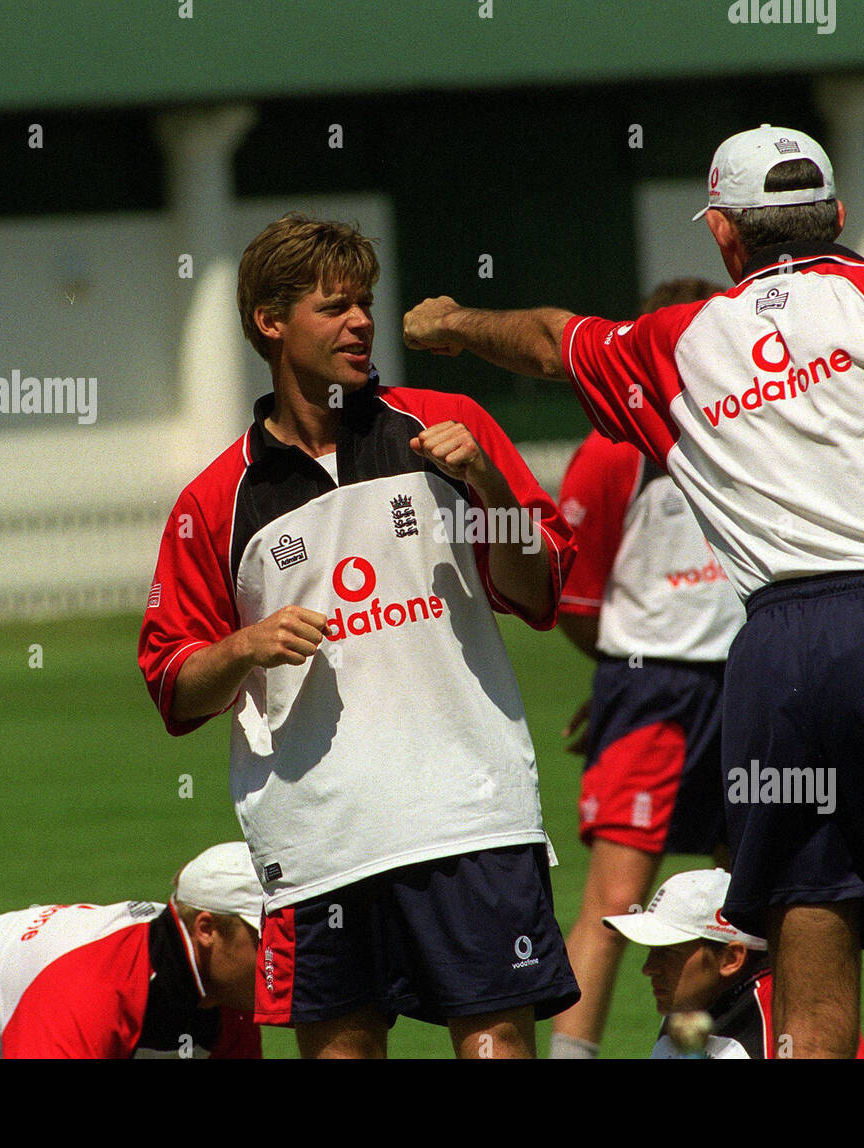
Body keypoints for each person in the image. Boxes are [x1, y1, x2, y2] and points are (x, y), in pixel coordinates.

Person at [403, 124, 864, 1057]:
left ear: (724, 236)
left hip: (778, 653)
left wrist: (454, 326)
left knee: (808, 972)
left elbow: (553, 340)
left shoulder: (677, 340)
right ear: (837, 215)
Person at [138, 214, 580, 1060]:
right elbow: (173, 688)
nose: (362, 323)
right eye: (334, 306)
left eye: (366, 304)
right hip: (320, 845)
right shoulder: (213, 500)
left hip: (471, 817)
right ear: (271, 323)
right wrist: (242, 647)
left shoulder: (449, 428)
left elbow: (541, 590)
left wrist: (485, 481)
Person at [549, 278, 745, 1060]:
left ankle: (736, 1046)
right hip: (653, 690)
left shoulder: (754, 430)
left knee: (742, 902)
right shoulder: (613, 447)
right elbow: (575, 598)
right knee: (616, 901)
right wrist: (619, 672)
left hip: (749, 682)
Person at [0, 842, 263, 1059]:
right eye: (262, 939)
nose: (281, 955)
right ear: (207, 930)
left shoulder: (229, 995)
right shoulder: (91, 990)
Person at [604, 868, 864, 1059]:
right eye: (652, 951)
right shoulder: (690, 1002)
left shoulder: (796, 1020)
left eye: (668, 953)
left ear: (731, 959)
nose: (648, 968)